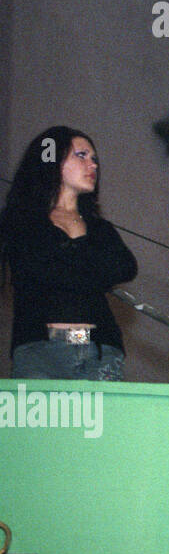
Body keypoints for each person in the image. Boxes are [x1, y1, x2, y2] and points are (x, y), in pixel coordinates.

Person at [0, 126, 137, 380]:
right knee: (43, 420)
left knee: (101, 420)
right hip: (39, 352)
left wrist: (70, 263)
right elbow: (39, 268)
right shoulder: (21, 220)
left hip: (100, 351)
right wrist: (90, 267)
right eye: (81, 155)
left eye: (95, 159)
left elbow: (126, 267)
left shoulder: (99, 227)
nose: (93, 165)